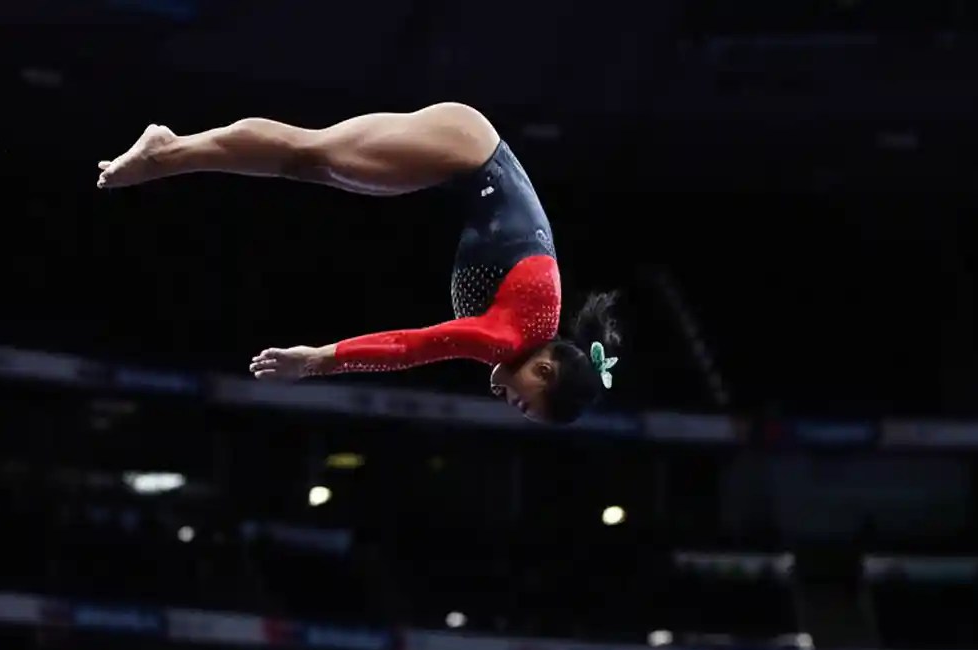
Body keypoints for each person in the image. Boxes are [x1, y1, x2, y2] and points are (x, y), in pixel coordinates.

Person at [96, 102, 621, 423]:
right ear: (545, 370)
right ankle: (169, 152)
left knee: (314, 163)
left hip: (467, 153)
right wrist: (320, 360)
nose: (514, 405)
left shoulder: (527, 332)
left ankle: (173, 152)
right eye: (526, 404)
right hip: (467, 152)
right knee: (311, 155)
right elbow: (410, 347)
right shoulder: (508, 337)